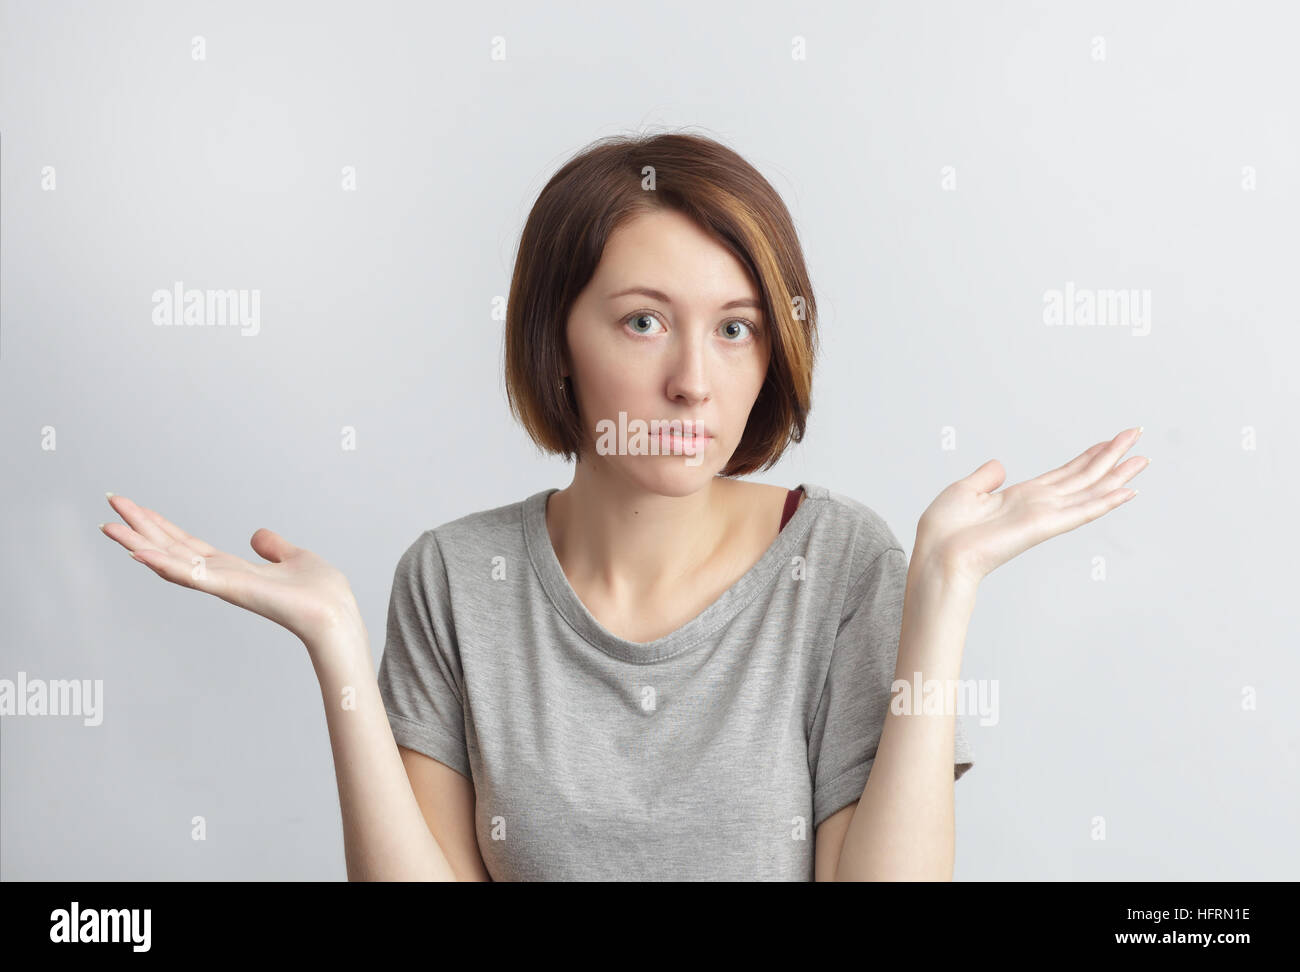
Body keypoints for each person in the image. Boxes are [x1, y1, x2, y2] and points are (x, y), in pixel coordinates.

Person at [99, 131, 1149, 881]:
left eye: (736, 328)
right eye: (644, 322)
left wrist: (942, 594)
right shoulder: (456, 580)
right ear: (557, 339)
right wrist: (335, 644)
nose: (694, 381)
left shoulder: (839, 565)